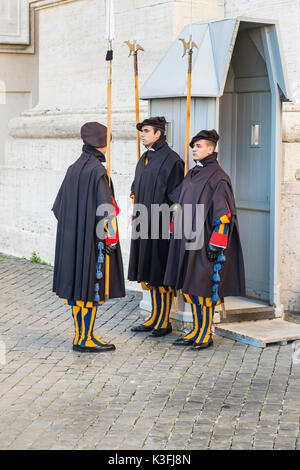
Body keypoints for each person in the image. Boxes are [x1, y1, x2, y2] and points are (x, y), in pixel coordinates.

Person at [164, 129, 245, 349]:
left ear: (210, 148)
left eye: (199, 146)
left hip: (205, 241)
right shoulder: (191, 174)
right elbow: (179, 203)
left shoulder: (218, 177)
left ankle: (205, 334)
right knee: (189, 288)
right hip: (186, 240)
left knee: (202, 288)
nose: (194, 150)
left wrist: (216, 244)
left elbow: (224, 215)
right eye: (193, 146)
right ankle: (195, 331)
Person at [52, 122, 125, 353]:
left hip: (70, 241)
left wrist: (73, 229)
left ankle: (80, 336)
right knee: (89, 287)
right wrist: (111, 241)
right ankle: (86, 339)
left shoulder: (73, 168)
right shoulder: (98, 172)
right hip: (91, 242)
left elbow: (58, 208)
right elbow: (106, 212)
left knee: (77, 288)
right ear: (104, 144)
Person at [129, 116, 184, 337]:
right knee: (148, 273)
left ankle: (164, 320)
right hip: (143, 222)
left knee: (160, 272)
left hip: (161, 225)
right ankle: (154, 316)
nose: (142, 134)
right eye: (141, 131)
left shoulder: (173, 160)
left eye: (146, 131)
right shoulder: (144, 158)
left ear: (158, 133)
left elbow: (177, 198)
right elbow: (136, 187)